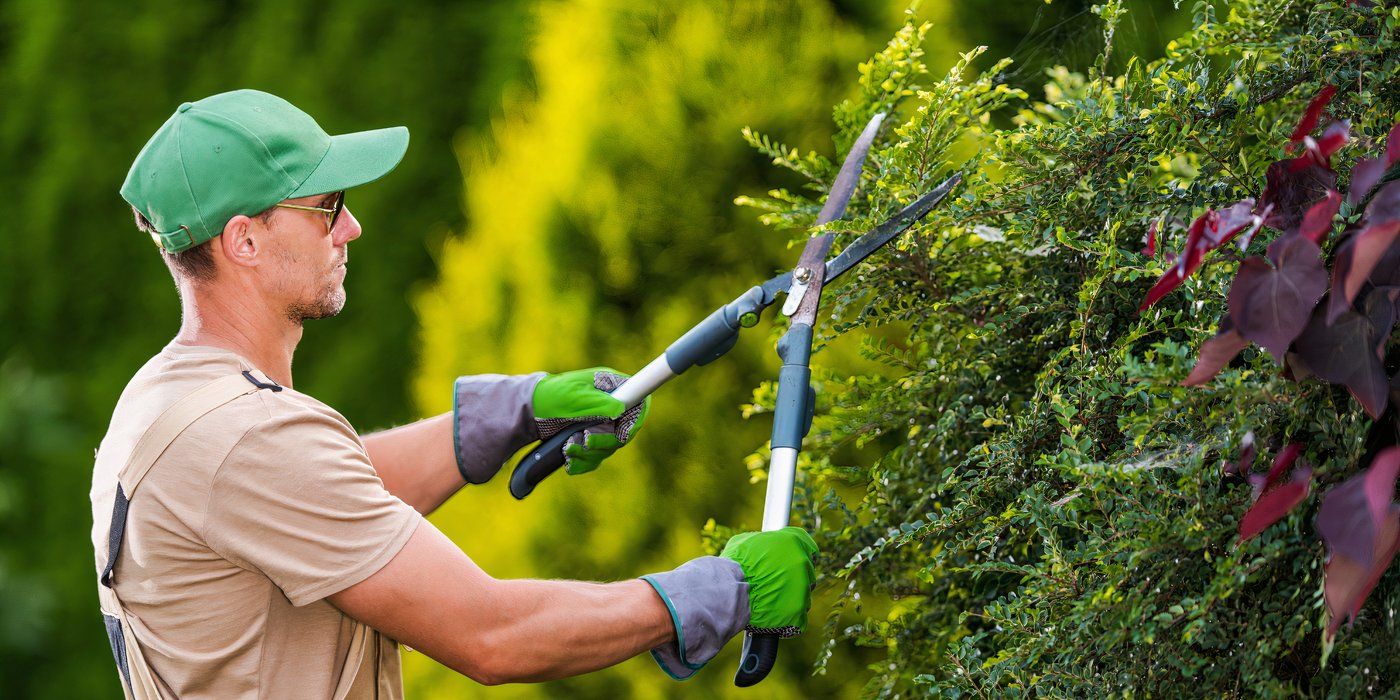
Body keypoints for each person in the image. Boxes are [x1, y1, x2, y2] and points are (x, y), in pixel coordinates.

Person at [91, 89, 817, 698]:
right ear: (243, 241)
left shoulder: (168, 402)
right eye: (326, 206)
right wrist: (721, 592)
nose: (352, 226)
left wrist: (512, 414)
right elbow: (493, 635)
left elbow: (323, 501)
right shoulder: (247, 438)